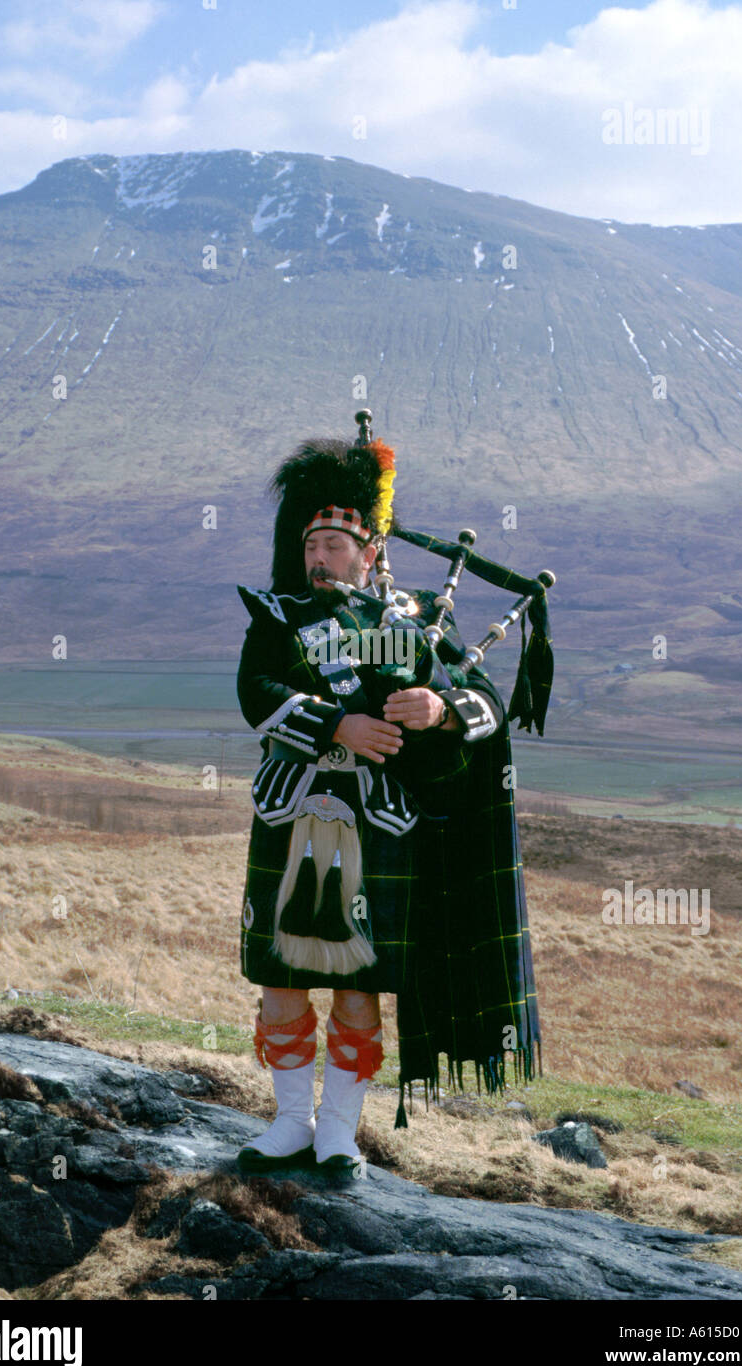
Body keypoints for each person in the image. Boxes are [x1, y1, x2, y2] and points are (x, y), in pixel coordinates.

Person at [235, 433, 545, 1174]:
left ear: (369, 552)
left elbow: (486, 703)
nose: (319, 556)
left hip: (378, 826)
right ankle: (288, 1122)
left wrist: (437, 709)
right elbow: (256, 694)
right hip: (292, 809)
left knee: (359, 980)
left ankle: (338, 1131)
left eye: (336, 544)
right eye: (312, 543)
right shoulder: (276, 617)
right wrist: (335, 723)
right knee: (280, 975)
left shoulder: (413, 622)